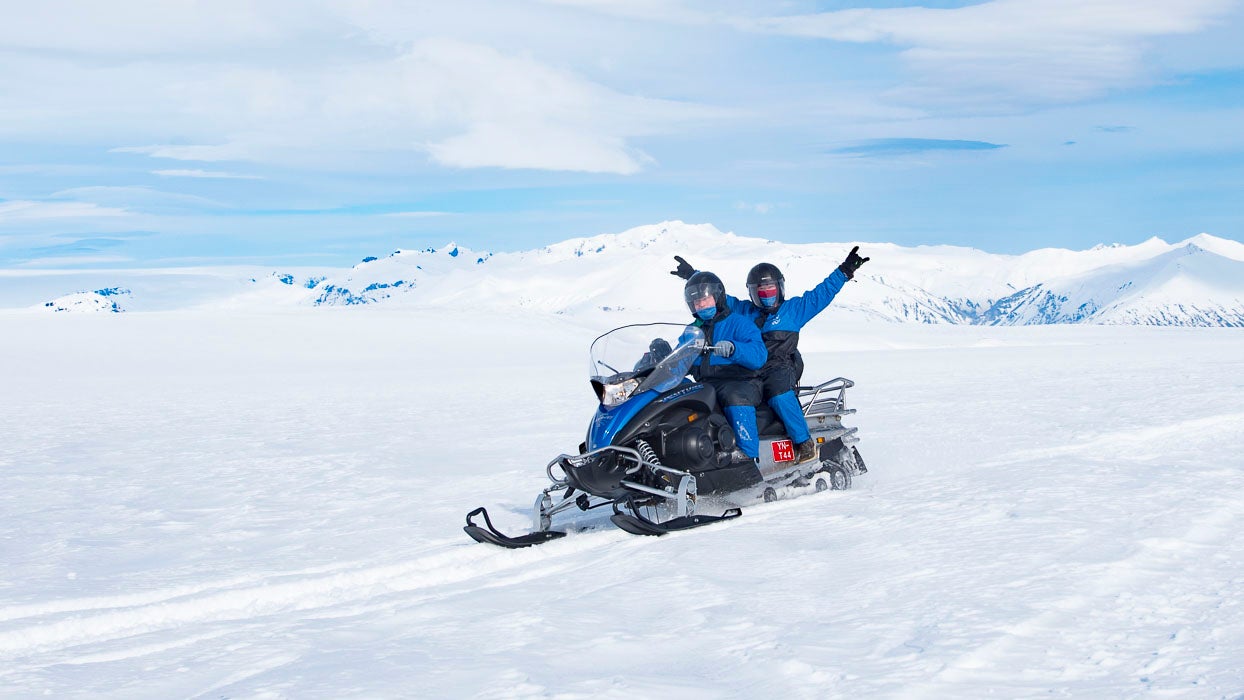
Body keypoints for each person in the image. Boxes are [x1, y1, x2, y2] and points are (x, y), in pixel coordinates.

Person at [672, 247, 870, 463]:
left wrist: (844, 271)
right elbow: (715, 296)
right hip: (747, 369)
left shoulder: (793, 310)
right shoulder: (745, 310)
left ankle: (803, 441)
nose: (766, 294)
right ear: (752, 293)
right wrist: (693, 276)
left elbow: (821, 295)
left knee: (778, 394)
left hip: (778, 366)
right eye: (760, 290)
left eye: (770, 289)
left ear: (779, 288)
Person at [682, 271, 769, 461]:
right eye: (696, 302)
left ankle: (748, 455)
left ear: (718, 297)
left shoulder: (739, 323)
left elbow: (759, 355)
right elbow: (680, 359)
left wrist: (734, 349)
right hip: (707, 383)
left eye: (705, 299)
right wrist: (660, 359)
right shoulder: (692, 331)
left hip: (742, 381)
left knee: (733, 395)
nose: (701, 305)